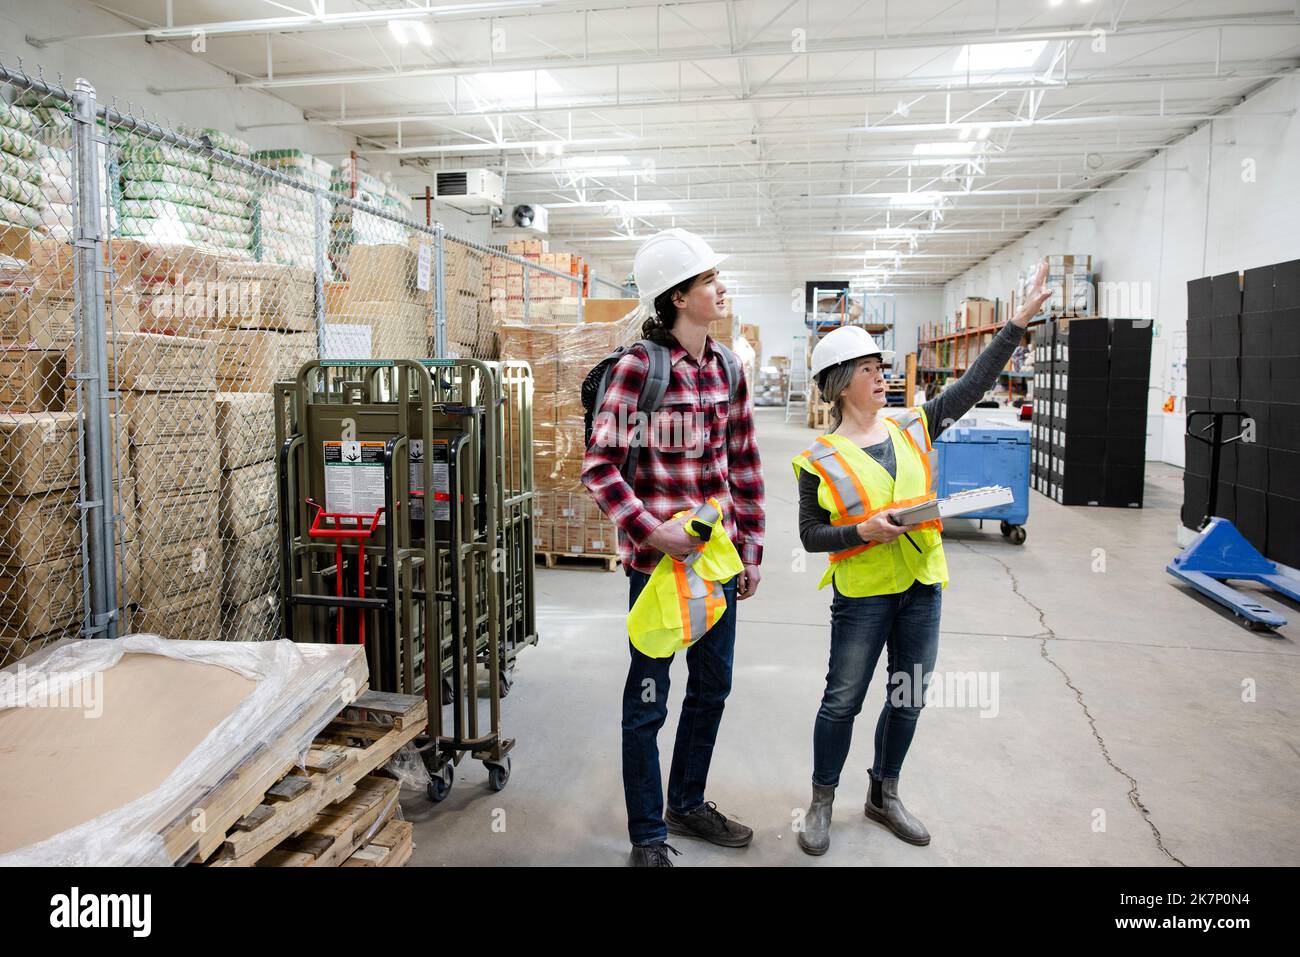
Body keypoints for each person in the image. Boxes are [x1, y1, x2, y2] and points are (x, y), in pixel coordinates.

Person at [792, 260, 1052, 856]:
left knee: (907, 696)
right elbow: (810, 535)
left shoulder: (912, 425)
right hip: (863, 596)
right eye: (867, 369)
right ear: (840, 383)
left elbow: (971, 387)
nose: (880, 376)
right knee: (842, 700)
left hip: (921, 587)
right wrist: (861, 530)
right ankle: (822, 801)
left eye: (879, 367)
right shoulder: (818, 458)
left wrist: (1014, 325)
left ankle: (884, 795)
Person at [582, 228, 765, 867]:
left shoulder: (728, 367)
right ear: (678, 296)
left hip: (717, 562)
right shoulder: (640, 368)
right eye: (708, 279)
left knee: (712, 688)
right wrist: (649, 530)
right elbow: (600, 466)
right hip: (658, 568)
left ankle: (686, 803)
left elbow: (744, 465)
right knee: (648, 700)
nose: (721, 287)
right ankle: (647, 834)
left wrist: (751, 548)